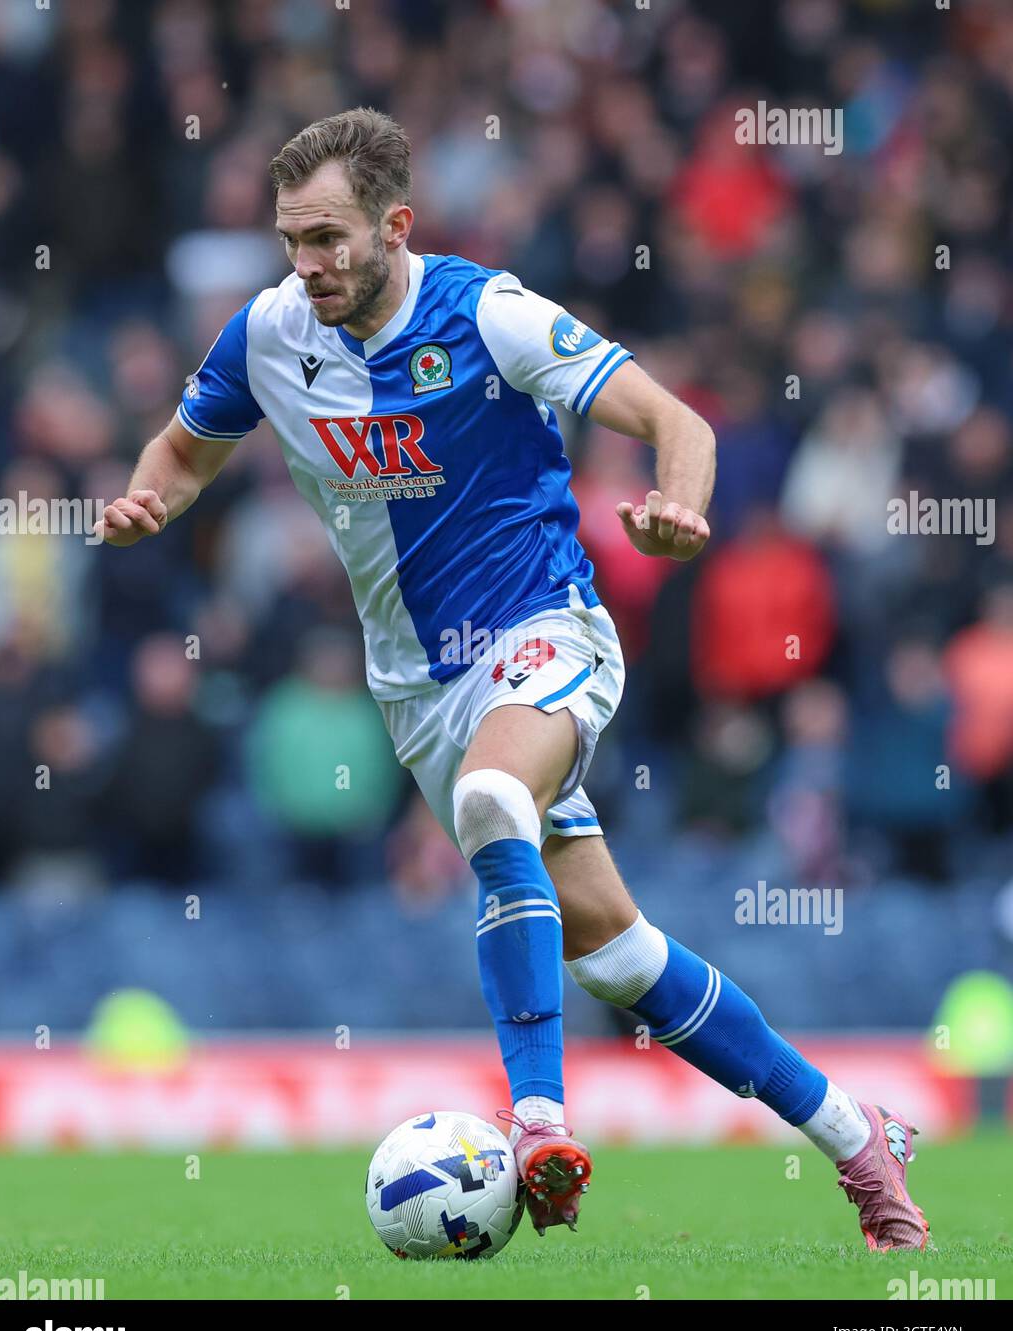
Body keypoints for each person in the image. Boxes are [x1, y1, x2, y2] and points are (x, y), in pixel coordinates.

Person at [99, 108, 928, 1249]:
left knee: (494, 803)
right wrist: (153, 501)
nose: (308, 263)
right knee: (621, 957)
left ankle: (537, 1123)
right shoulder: (268, 335)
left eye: (330, 237)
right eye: (292, 238)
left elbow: (674, 418)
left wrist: (680, 504)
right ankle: (857, 1136)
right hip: (421, 695)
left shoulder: (486, 313)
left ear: (395, 226)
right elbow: (183, 450)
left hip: (547, 631)